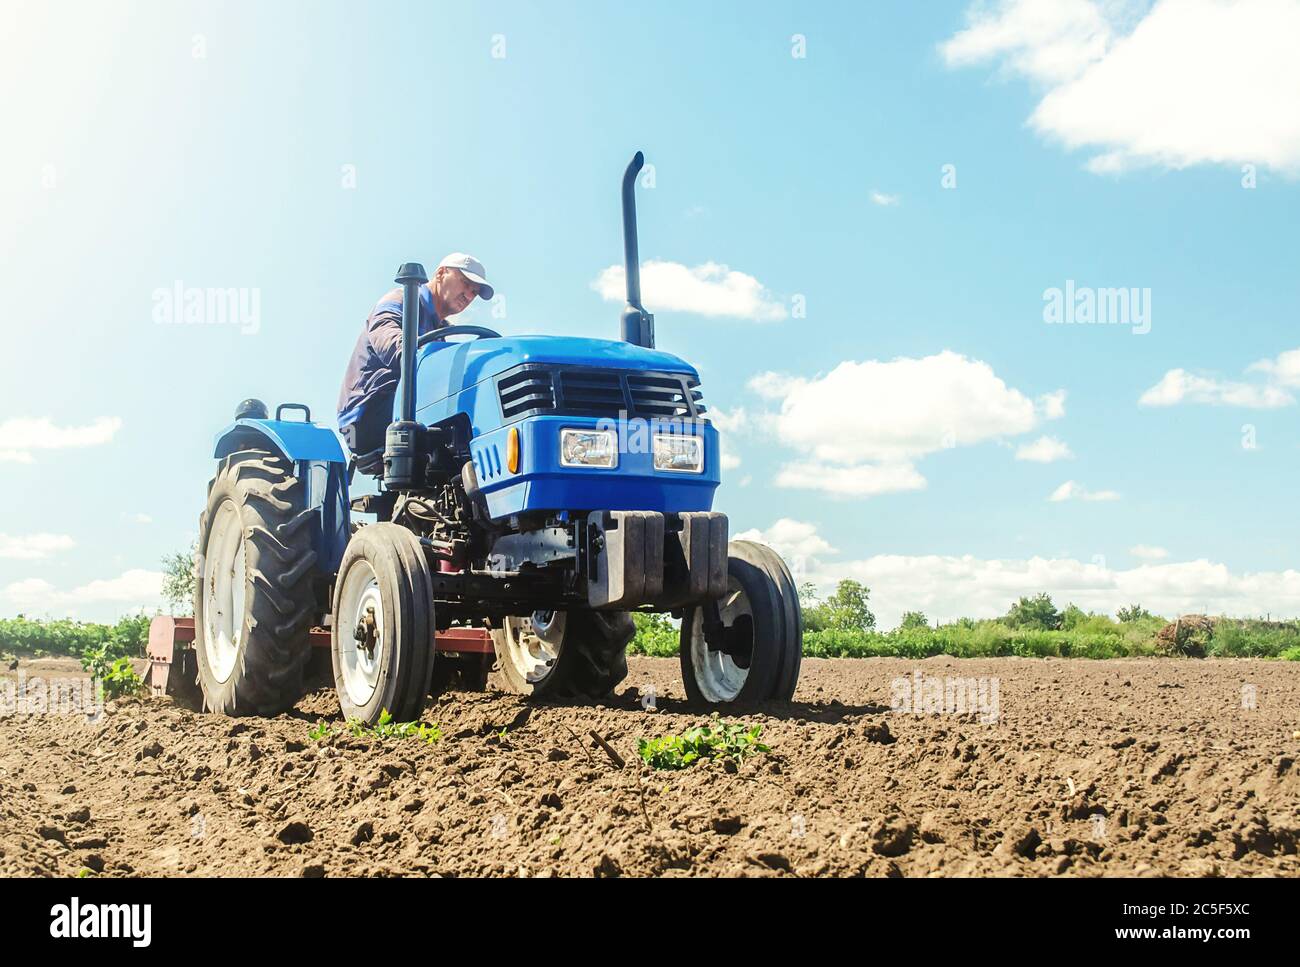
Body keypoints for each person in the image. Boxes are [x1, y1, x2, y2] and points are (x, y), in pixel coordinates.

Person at [337, 253, 494, 459]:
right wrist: (417, 355)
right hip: (365, 417)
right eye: (465, 283)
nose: (469, 295)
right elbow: (388, 336)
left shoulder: (442, 331)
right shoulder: (399, 301)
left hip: (409, 408)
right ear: (440, 273)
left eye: (474, 292)